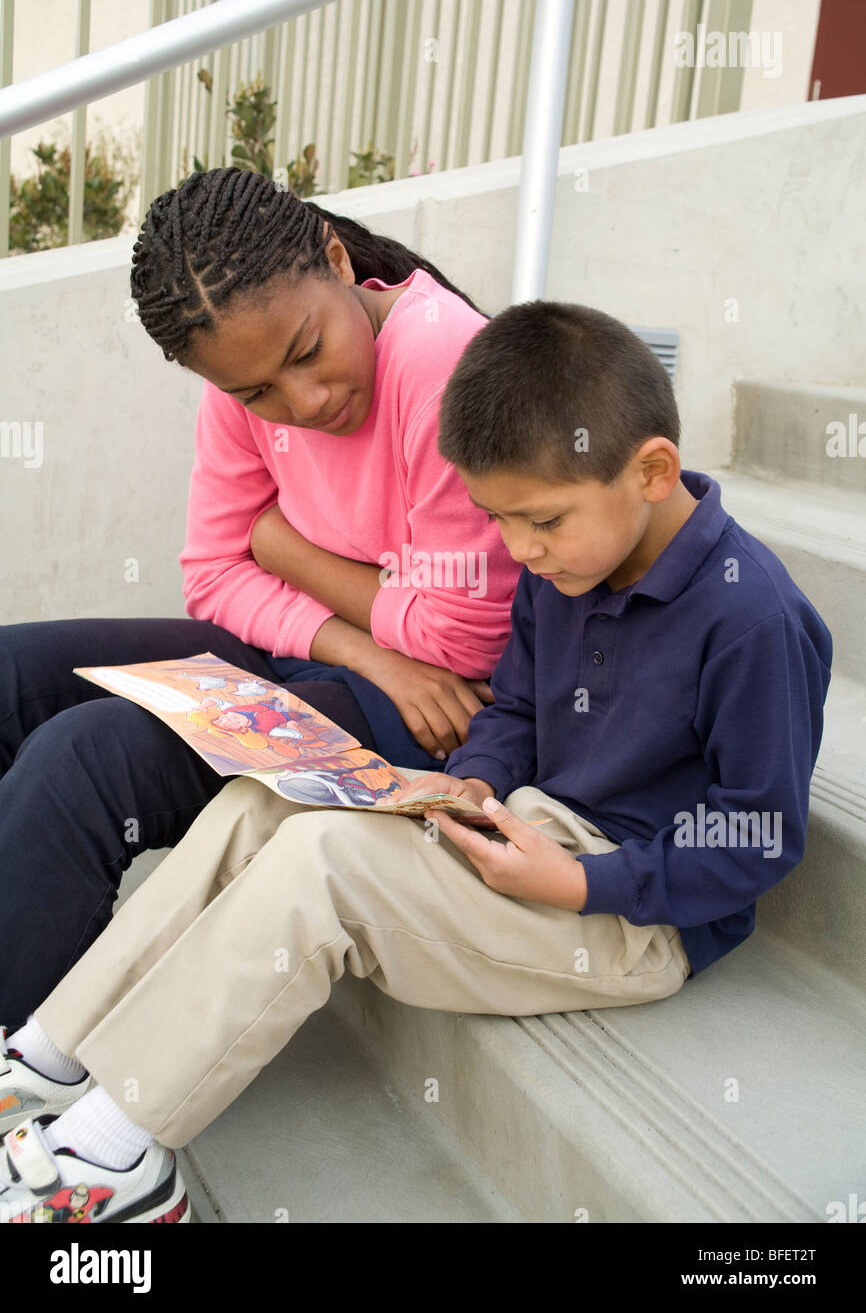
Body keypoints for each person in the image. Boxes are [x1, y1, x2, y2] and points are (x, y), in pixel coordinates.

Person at [0, 300, 832, 1225]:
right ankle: (46, 1056)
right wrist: (471, 778)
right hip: (521, 826)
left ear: (652, 469)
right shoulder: (568, 566)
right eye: (499, 520)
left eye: (542, 521)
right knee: (259, 805)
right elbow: (514, 704)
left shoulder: (753, 621)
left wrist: (579, 884)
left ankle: (118, 1161)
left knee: (324, 863)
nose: (518, 551)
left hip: (631, 917)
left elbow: (759, 842)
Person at [0, 168, 521, 1033]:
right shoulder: (241, 369)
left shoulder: (440, 361)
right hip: (345, 661)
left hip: (423, 713)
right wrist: (364, 644)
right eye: (256, 393)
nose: (303, 402)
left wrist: (280, 546)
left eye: (308, 352)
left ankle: (26, 1079)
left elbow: (459, 639)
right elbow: (212, 571)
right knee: (12, 671)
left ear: (337, 257)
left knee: (89, 759)